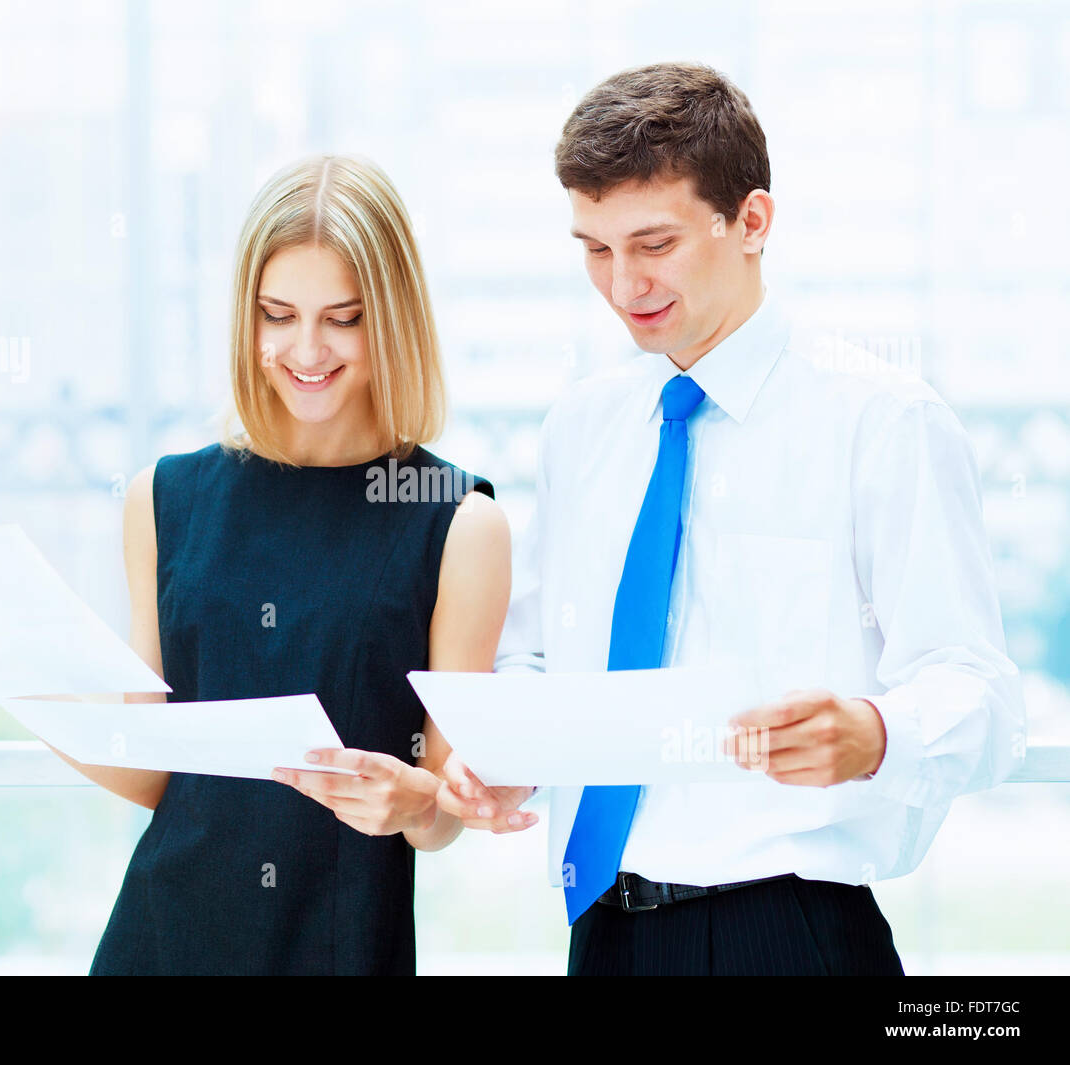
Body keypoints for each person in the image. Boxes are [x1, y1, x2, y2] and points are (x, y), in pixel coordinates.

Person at [438, 62, 1025, 976]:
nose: (622, 283)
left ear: (752, 221)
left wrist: (878, 732)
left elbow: (983, 697)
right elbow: (543, 658)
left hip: (788, 932)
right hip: (605, 928)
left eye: (654, 242)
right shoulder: (580, 427)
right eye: (594, 248)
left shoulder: (881, 423)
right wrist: (513, 747)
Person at [0, 153, 516, 975]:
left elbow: (445, 809)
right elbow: (155, 771)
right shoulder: (165, 498)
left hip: (340, 949)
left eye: (343, 317)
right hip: (158, 944)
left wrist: (416, 800)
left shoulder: (459, 524)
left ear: (394, 319)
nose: (306, 349)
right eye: (277, 314)